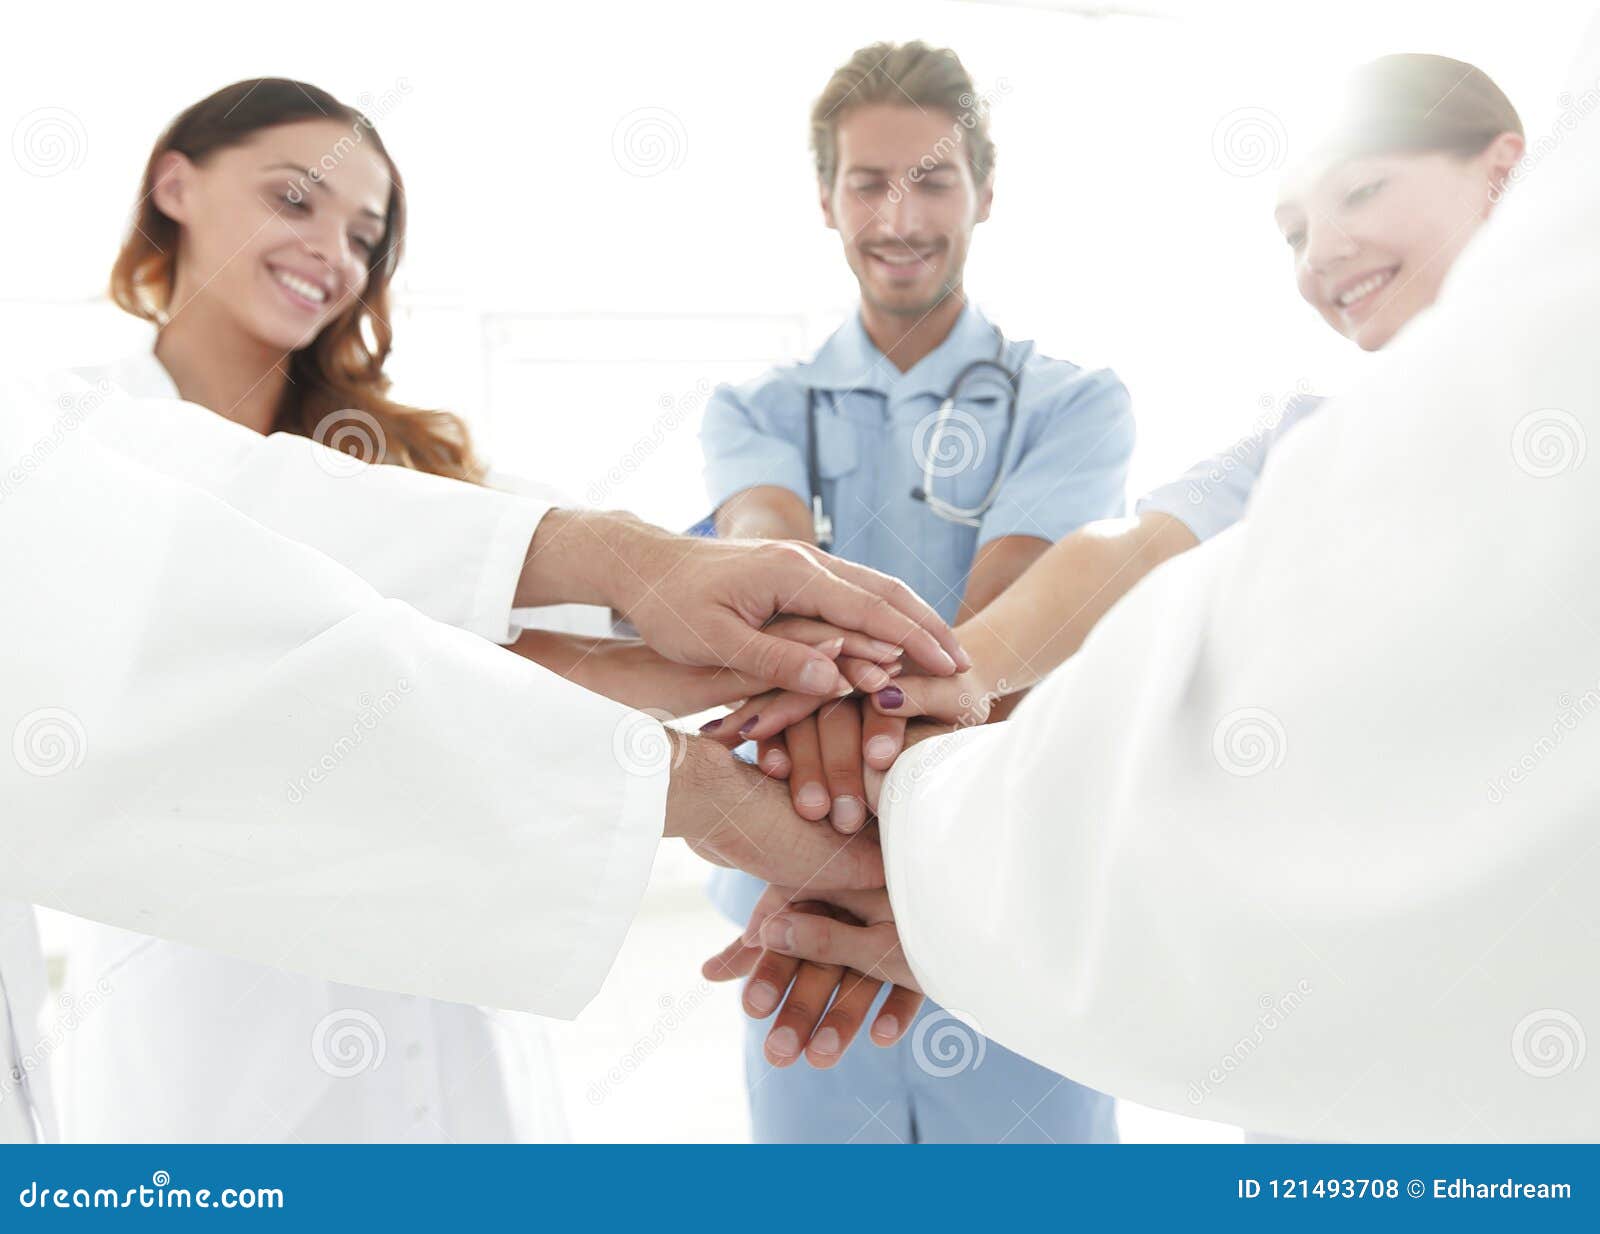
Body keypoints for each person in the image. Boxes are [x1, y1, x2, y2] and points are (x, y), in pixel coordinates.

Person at [709, 44, 1600, 1142]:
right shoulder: (1295, 440)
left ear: (1510, 172)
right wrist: (957, 674)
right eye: (1292, 231)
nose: (1326, 252)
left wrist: (871, 710)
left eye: (1362, 191)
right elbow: (1124, 550)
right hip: (1269, 1027)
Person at [44, 78, 916, 1144]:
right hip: (209, 1011)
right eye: (295, 200)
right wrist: (715, 774)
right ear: (174, 183)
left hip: (437, 981)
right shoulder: (69, 445)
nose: (333, 250)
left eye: (366, 235)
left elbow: (572, 634)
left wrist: (800, 670)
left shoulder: (399, 458)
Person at [699, 41, 1132, 1143]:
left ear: (985, 193)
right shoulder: (754, 409)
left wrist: (820, 670)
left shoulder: (1070, 404)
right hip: (803, 920)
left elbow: (1012, 619)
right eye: (868, 181)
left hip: (1004, 911)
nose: (900, 214)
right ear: (824, 198)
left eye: (933, 179)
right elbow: (769, 564)